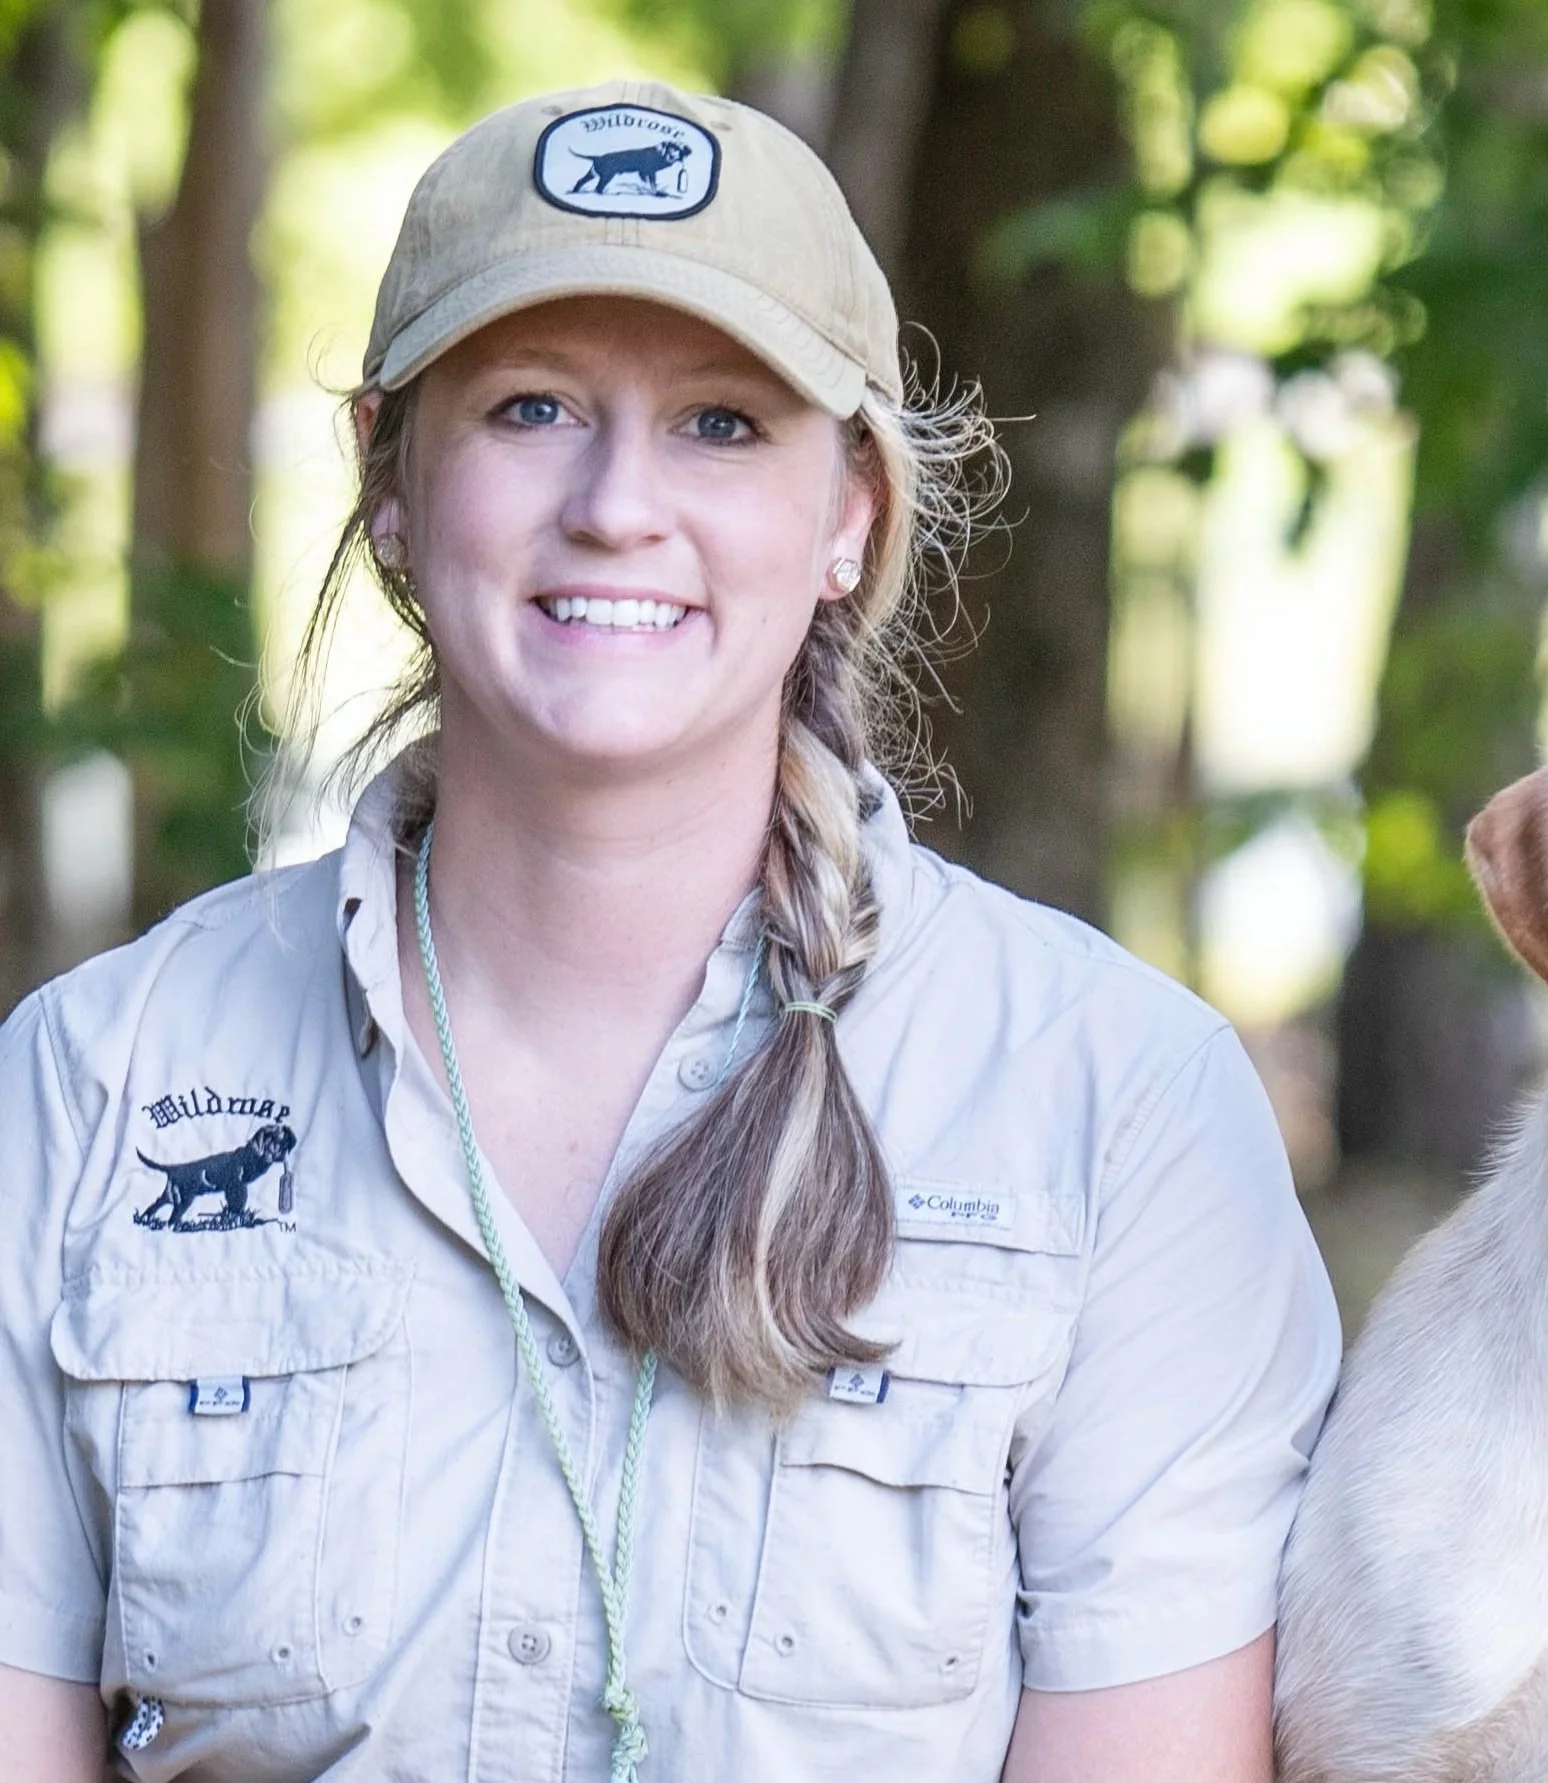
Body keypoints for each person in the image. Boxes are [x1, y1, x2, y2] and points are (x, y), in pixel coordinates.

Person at [0, 80, 1340, 1781]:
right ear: (391, 479)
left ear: (848, 508)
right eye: (532, 408)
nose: (619, 502)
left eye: (721, 422)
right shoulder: (86, 1089)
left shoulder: (1120, 1111)